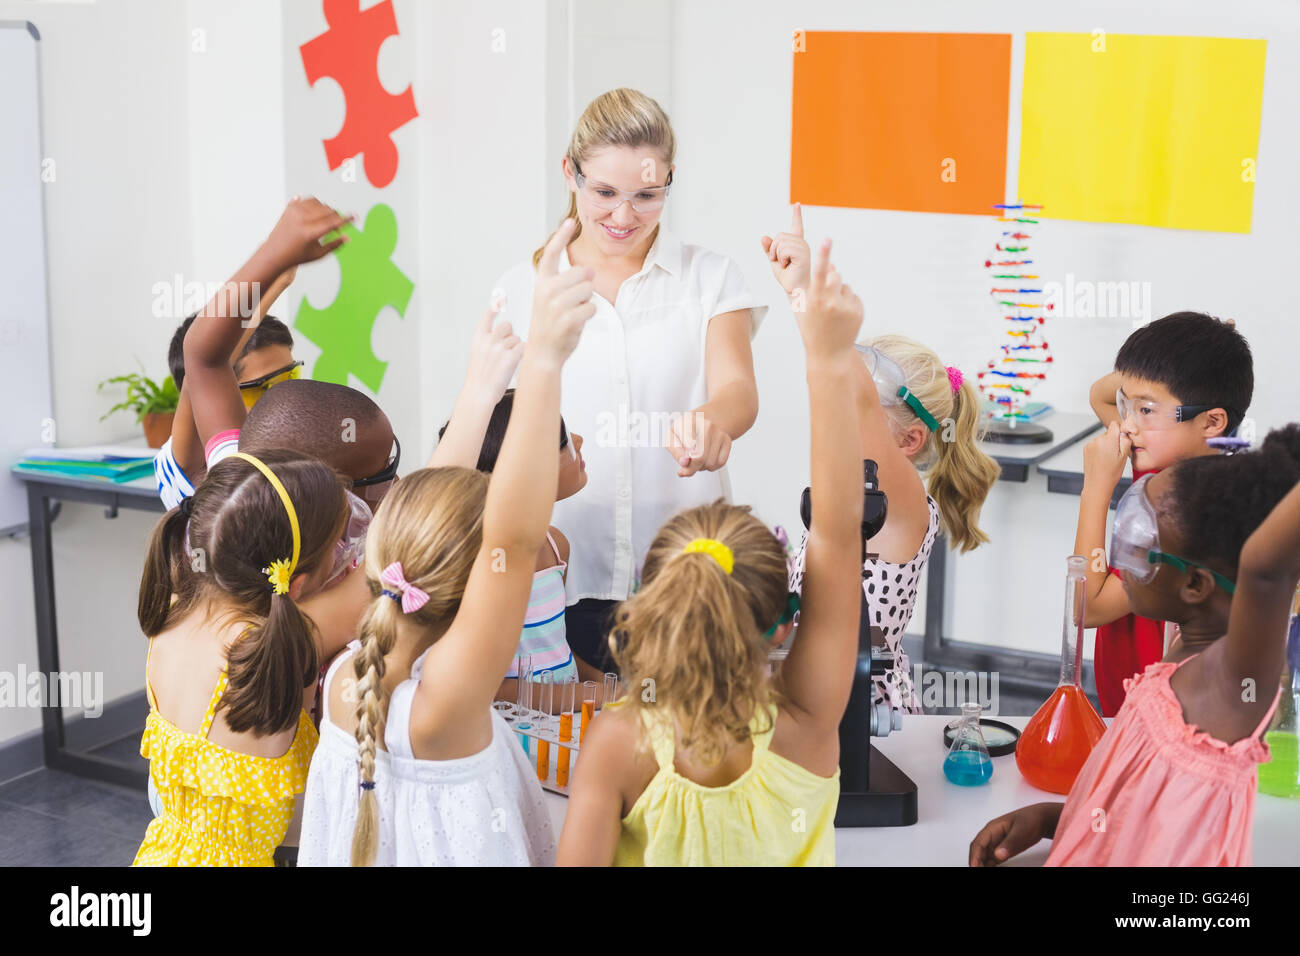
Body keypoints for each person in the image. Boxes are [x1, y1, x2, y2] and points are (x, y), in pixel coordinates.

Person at [556, 238, 864, 866]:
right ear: (784, 624)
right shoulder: (804, 723)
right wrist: (827, 355)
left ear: (648, 608)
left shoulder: (617, 742)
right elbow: (837, 530)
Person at [299, 220, 593, 866]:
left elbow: (438, 518)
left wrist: (481, 388)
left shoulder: (348, 676)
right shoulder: (445, 709)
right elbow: (512, 542)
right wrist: (543, 358)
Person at [490, 88, 765, 672]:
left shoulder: (709, 278)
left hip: (683, 577)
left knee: (686, 749)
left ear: (669, 183)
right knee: (571, 748)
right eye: (605, 193)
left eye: (647, 196)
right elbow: (493, 418)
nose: (623, 216)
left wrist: (714, 420)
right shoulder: (524, 288)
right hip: (558, 576)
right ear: (570, 173)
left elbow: (737, 389)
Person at [970, 426, 1299, 866]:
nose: (1118, 554)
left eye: (1139, 545)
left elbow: (1264, 569)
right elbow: (1138, 805)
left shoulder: (1234, 686)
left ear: (1195, 584)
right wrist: (1056, 819)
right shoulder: (1179, 652)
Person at [1079, 312, 1254, 714]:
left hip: (1159, 716)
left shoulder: (1183, 510)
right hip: (1132, 701)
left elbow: (1088, 608)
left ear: (1212, 421)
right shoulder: (1169, 454)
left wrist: (1096, 490)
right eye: (1130, 407)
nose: (1128, 426)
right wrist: (1180, 351)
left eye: (1146, 410)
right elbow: (1101, 393)